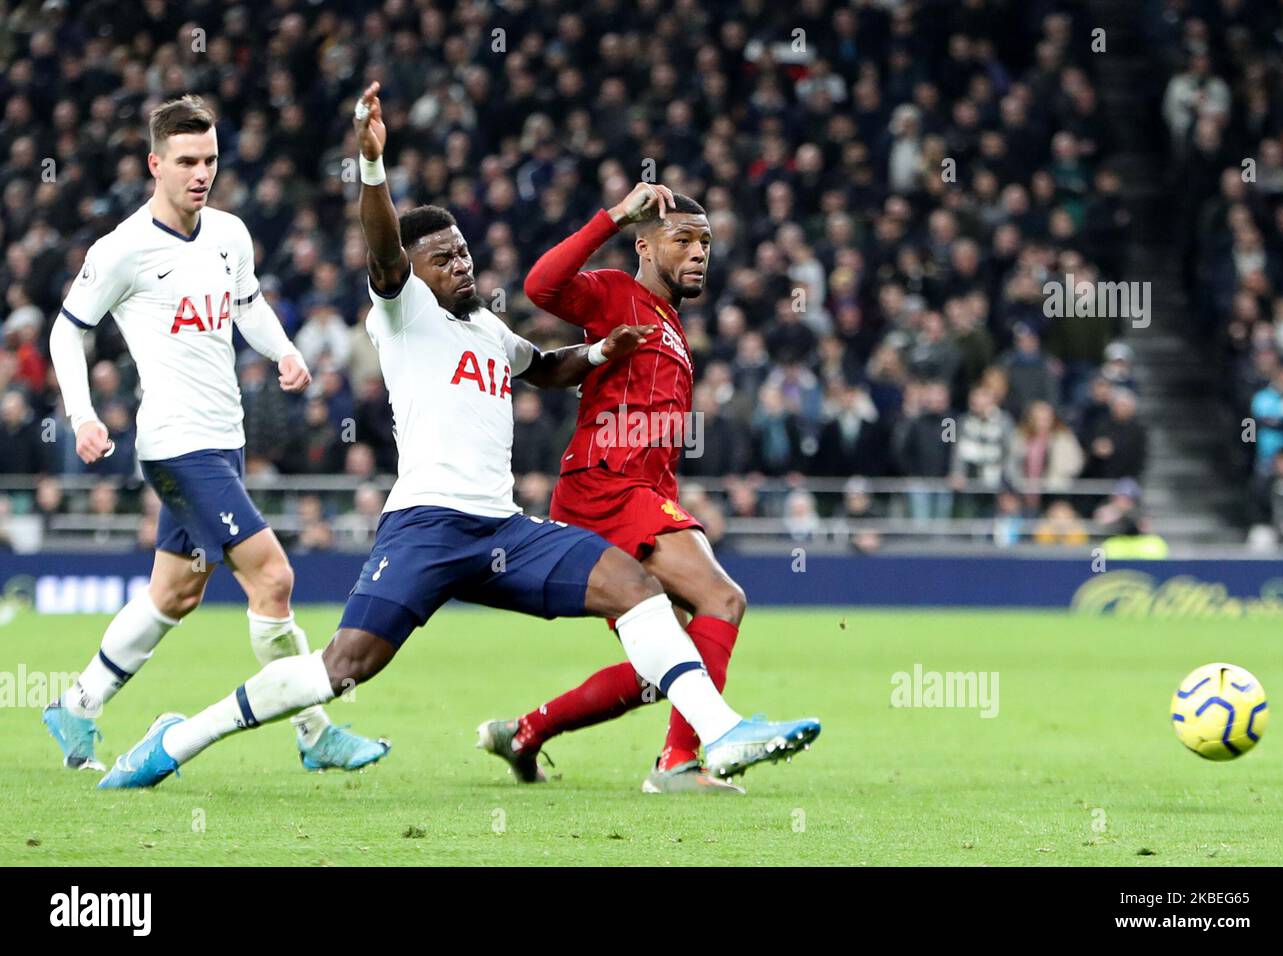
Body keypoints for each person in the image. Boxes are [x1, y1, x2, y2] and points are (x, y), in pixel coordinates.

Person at [96, 83, 819, 790]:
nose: (462, 264)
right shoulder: (402, 310)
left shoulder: (487, 328)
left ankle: (714, 734)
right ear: (415, 272)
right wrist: (373, 165)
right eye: (443, 258)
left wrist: (599, 356)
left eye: (464, 251)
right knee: (342, 667)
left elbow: (545, 367)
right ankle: (180, 737)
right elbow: (382, 245)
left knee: (632, 585)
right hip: (427, 527)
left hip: (501, 530)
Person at [44, 94, 388, 774]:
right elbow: (67, 330)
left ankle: (77, 705)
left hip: (222, 438)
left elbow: (248, 304)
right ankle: (316, 732)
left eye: (210, 160)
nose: (200, 173)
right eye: (186, 162)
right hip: (176, 444)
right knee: (275, 577)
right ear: (155, 164)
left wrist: (284, 351)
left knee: (175, 592)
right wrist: (83, 414)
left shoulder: (230, 233)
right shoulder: (123, 249)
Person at [475, 178, 764, 795]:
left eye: (706, 243)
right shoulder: (615, 294)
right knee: (724, 599)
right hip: (607, 488)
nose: (698, 253)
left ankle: (525, 732)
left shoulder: (672, 327)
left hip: (635, 493)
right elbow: (540, 286)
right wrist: (611, 216)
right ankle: (678, 765)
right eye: (682, 239)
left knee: (665, 668)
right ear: (644, 247)